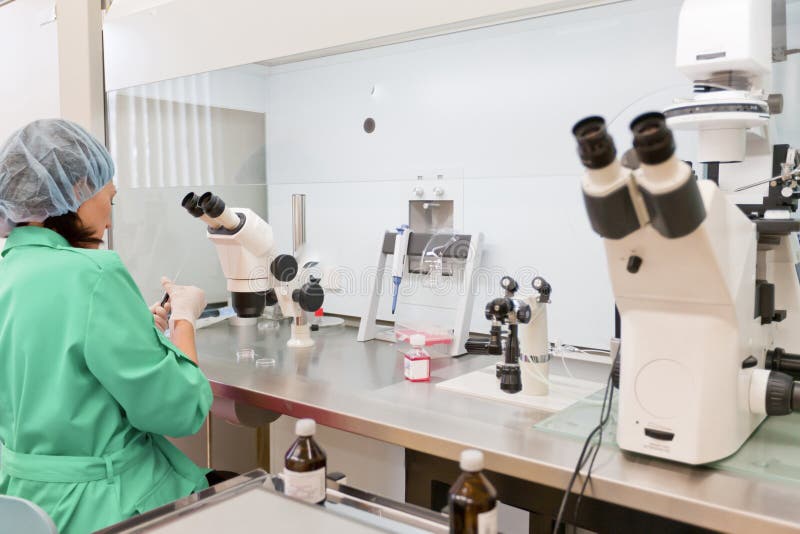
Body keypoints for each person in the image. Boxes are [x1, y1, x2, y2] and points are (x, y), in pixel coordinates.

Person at [0, 119, 213, 533]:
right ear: (77, 189)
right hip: (102, 508)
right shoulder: (94, 275)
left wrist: (136, 329)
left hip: (21, 505)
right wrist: (184, 319)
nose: (110, 220)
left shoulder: (6, 272)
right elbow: (182, 411)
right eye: (109, 199)